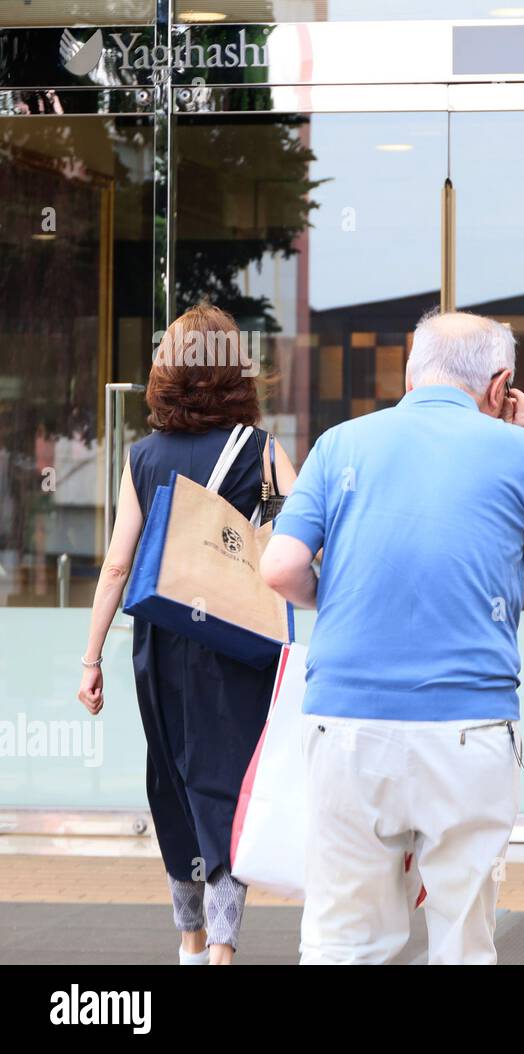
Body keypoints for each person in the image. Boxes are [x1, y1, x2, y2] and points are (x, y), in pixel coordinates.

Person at [260, 310, 524, 965]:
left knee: (343, 941)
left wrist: (345, 602)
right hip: (468, 728)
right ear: (502, 386)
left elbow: (279, 568)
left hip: (346, 721)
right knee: (462, 941)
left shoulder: (341, 443)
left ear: (412, 373)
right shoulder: (519, 451)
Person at [76, 303, 298, 965]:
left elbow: (118, 561)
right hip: (238, 640)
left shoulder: (144, 456)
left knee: (172, 781)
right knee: (228, 783)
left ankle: (190, 943)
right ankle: (226, 946)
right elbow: (304, 540)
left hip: (163, 644)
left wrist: (91, 659)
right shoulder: (261, 450)